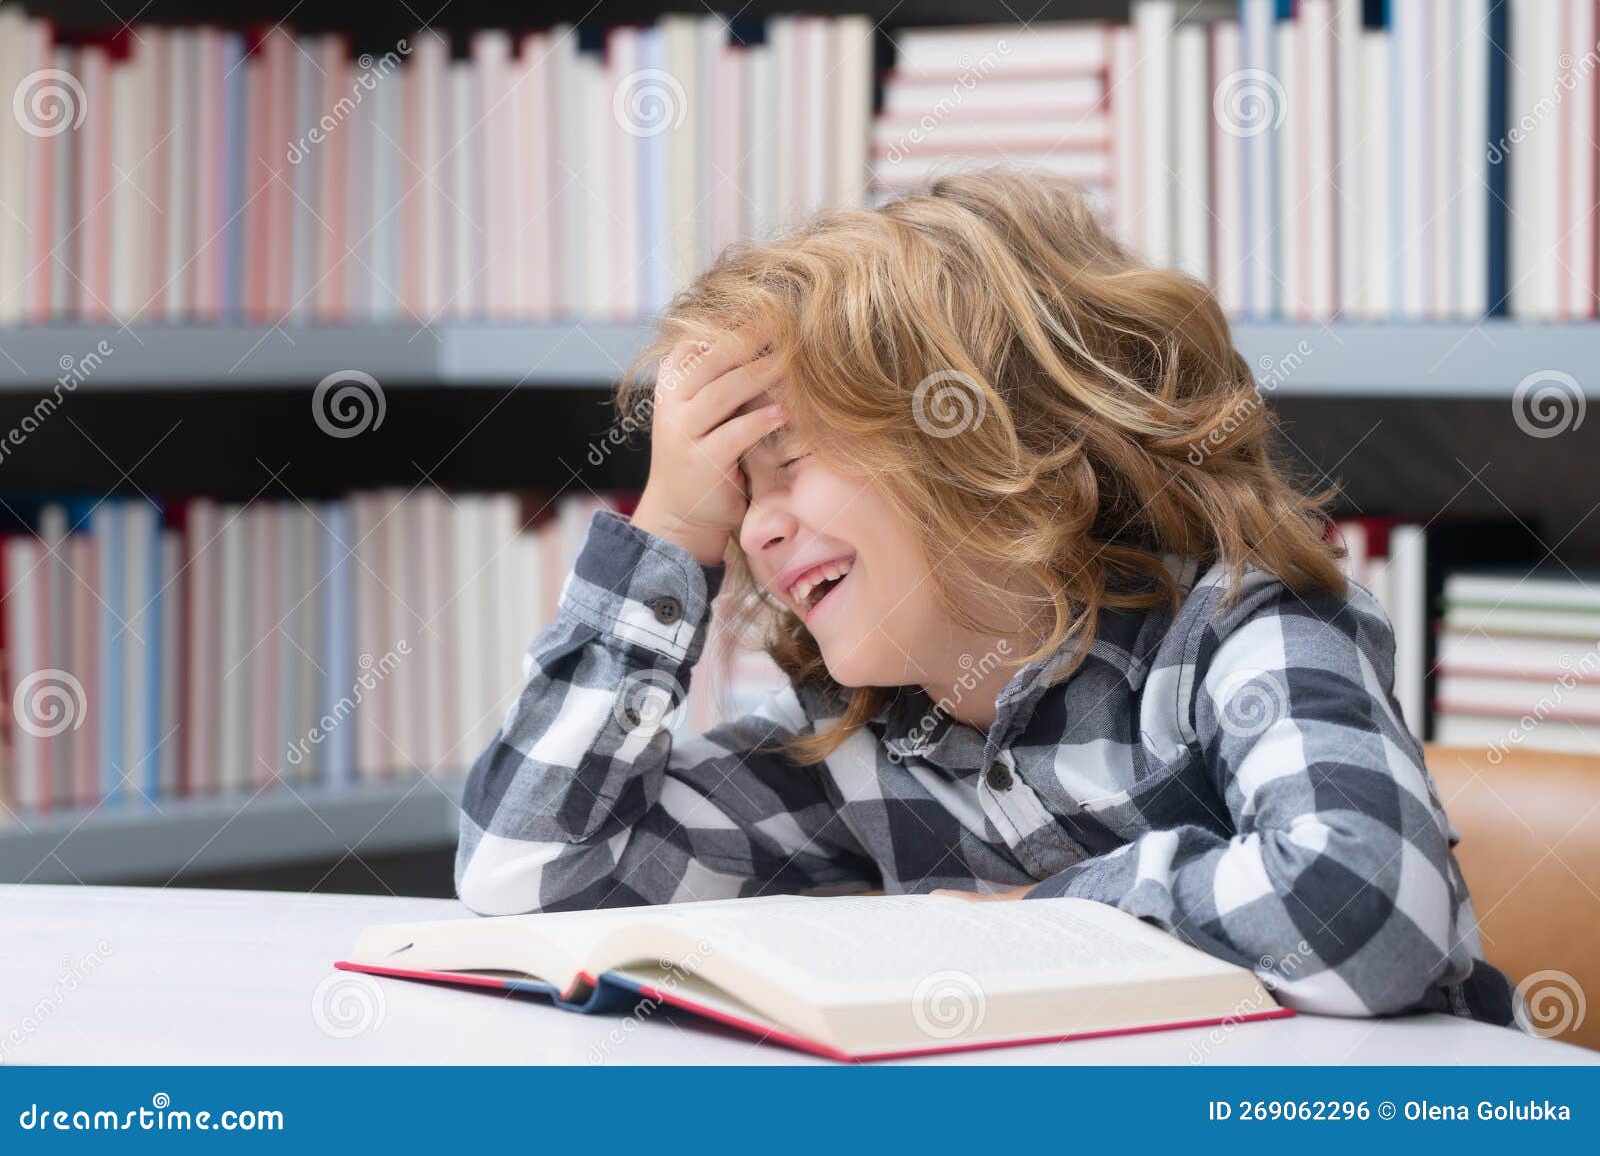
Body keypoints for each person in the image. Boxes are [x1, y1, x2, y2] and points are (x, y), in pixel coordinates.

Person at [455, 168, 1516, 1025]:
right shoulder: (858, 740)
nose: (755, 526)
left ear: (988, 435)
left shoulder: (1242, 628)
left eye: (789, 461)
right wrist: (668, 536)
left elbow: (1364, 912)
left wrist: (1034, 916)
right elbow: (529, 870)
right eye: (735, 497)